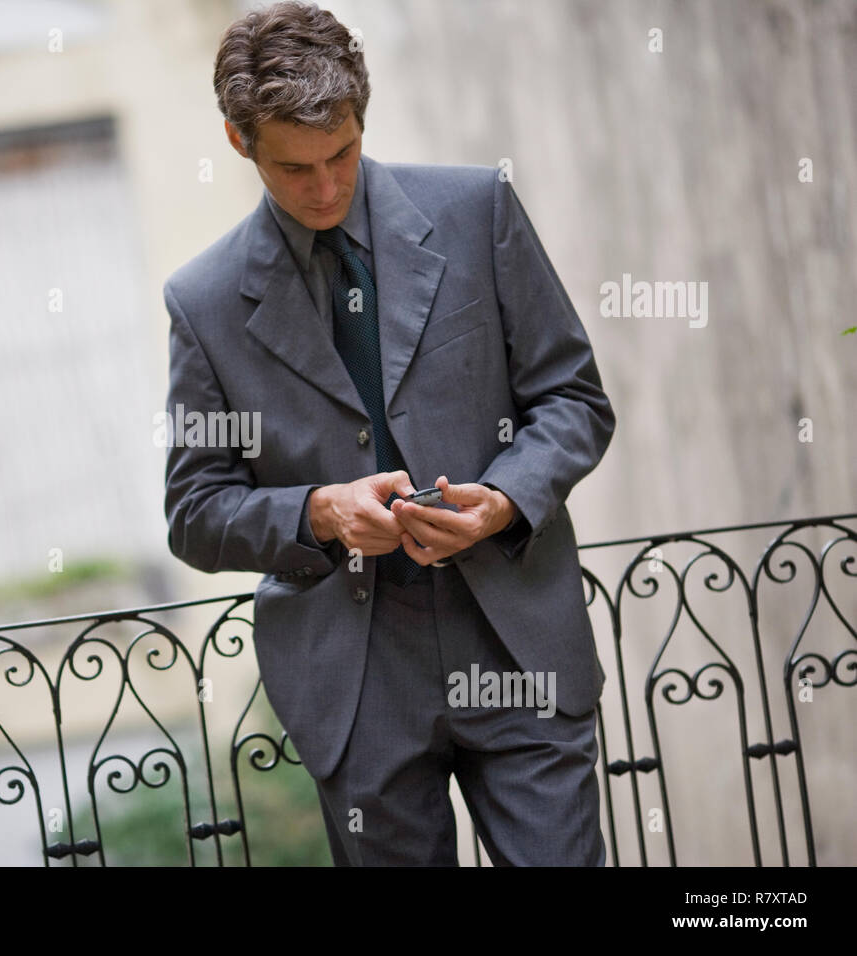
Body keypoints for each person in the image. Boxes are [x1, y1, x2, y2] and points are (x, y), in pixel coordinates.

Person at [162, 0, 615, 865]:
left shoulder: (478, 209)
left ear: (363, 116)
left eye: (343, 153)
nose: (328, 187)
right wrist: (319, 512)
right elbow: (195, 510)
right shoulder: (205, 301)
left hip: (515, 640)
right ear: (238, 141)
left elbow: (575, 400)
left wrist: (506, 500)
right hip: (359, 681)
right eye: (298, 169)